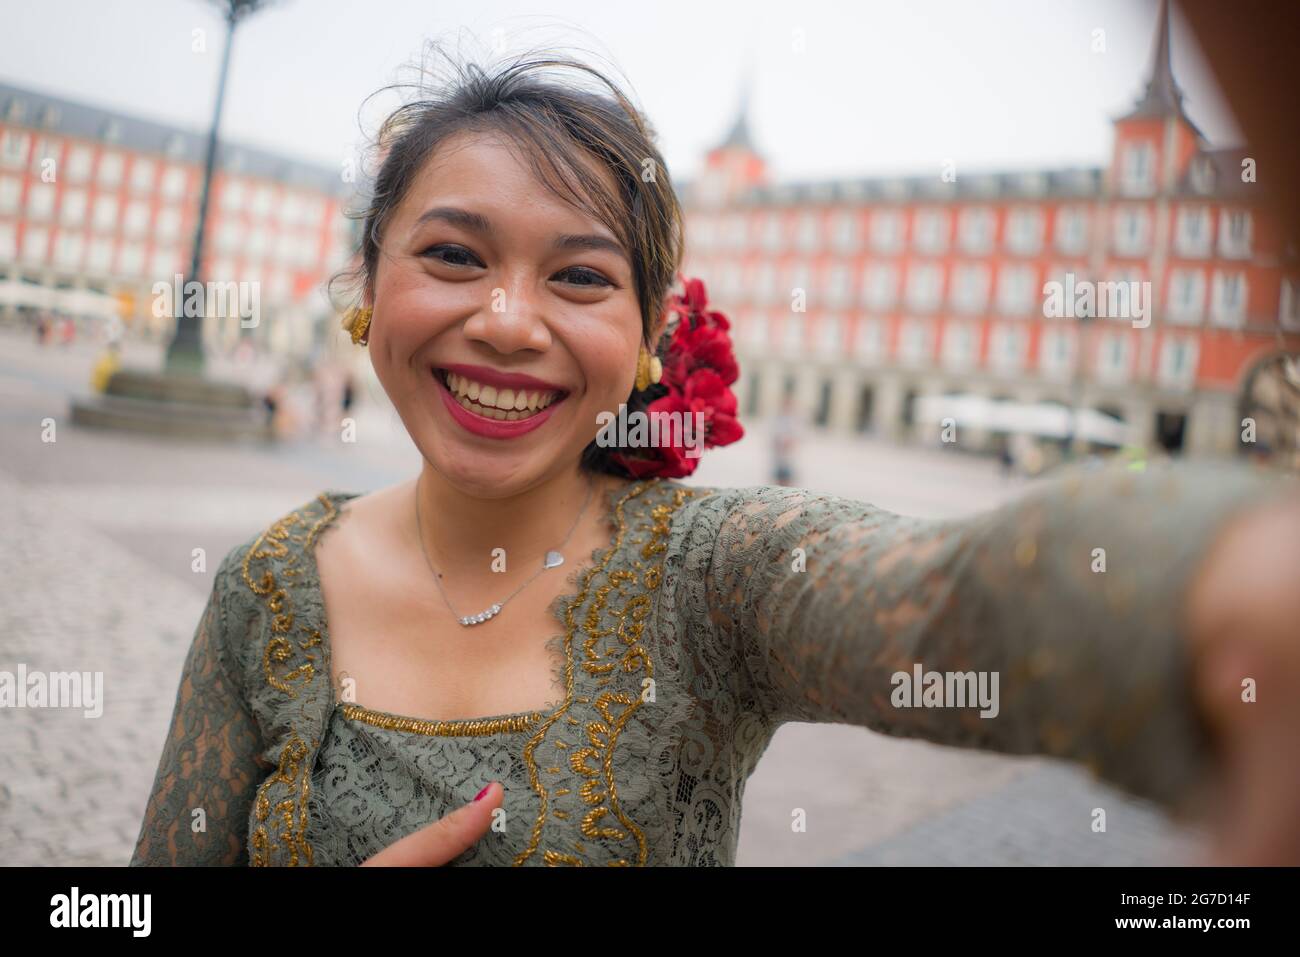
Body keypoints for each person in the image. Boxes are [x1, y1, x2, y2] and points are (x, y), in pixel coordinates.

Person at [130, 51, 1300, 868]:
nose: (504, 319)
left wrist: (1226, 579)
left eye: (580, 275)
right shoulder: (264, 589)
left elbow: (953, 601)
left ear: (648, 339)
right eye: (450, 253)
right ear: (368, 281)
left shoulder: (714, 576)